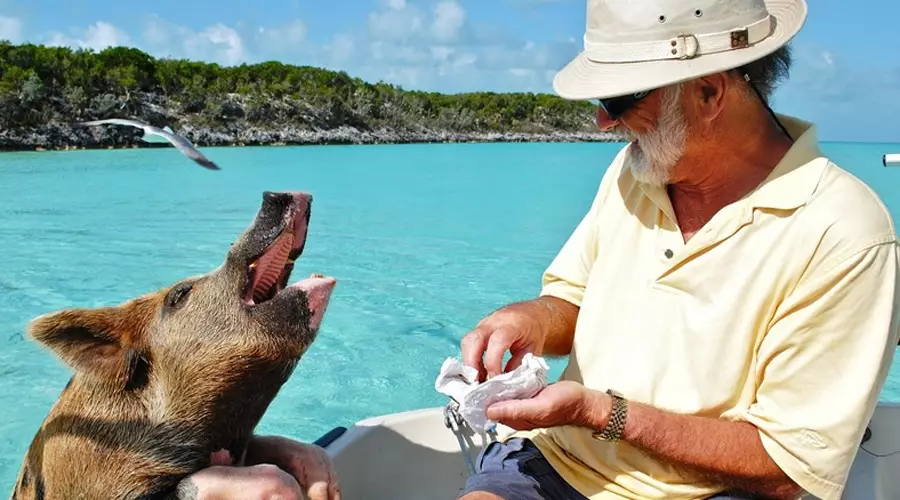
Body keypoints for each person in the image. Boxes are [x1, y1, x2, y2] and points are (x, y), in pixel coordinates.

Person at [456, 0, 900, 500]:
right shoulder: (636, 170)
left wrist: (599, 413)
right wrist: (530, 321)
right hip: (560, 458)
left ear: (709, 92)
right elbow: (571, 301)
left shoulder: (845, 232)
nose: (603, 121)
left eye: (619, 98)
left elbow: (786, 469)